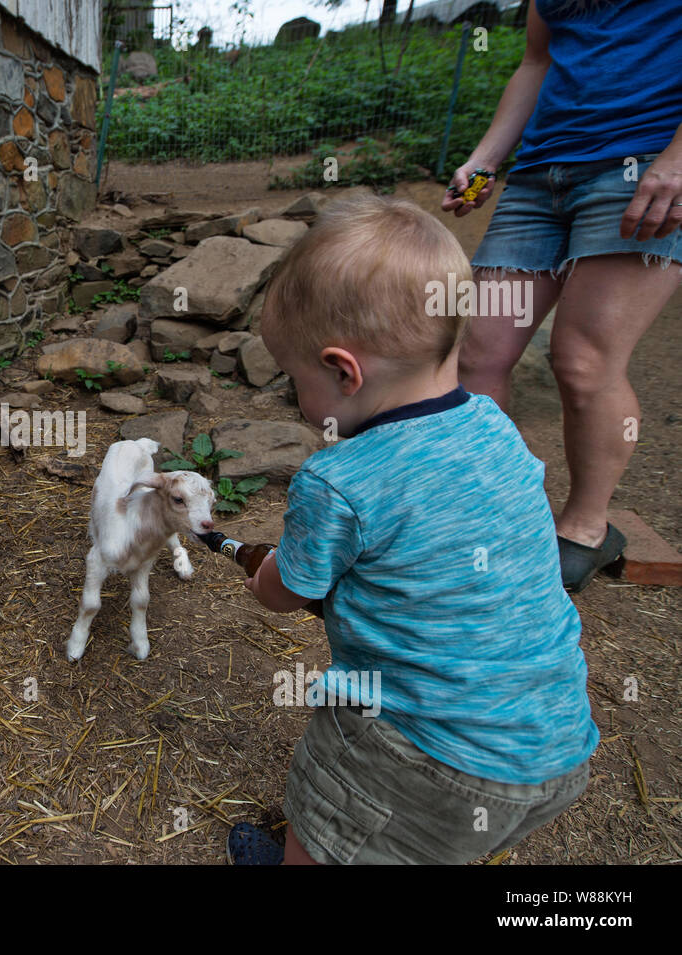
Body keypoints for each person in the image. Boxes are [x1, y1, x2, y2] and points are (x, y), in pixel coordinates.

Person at [227, 196, 597, 865]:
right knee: (431, 844)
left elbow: (286, 589)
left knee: (342, 813)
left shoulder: (339, 477)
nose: (298, 398)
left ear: (344, 370)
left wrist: (265, 576)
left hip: (422, 755)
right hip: (551, 744)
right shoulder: (496, 429)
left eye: (295, 379)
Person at [443, 0, 682, 592]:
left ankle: (586, 528)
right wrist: (485, 158)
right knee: (478, 355)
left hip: (643, 166)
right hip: (539, 175)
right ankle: (486, 511)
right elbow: (536, 62)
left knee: (582, 361)